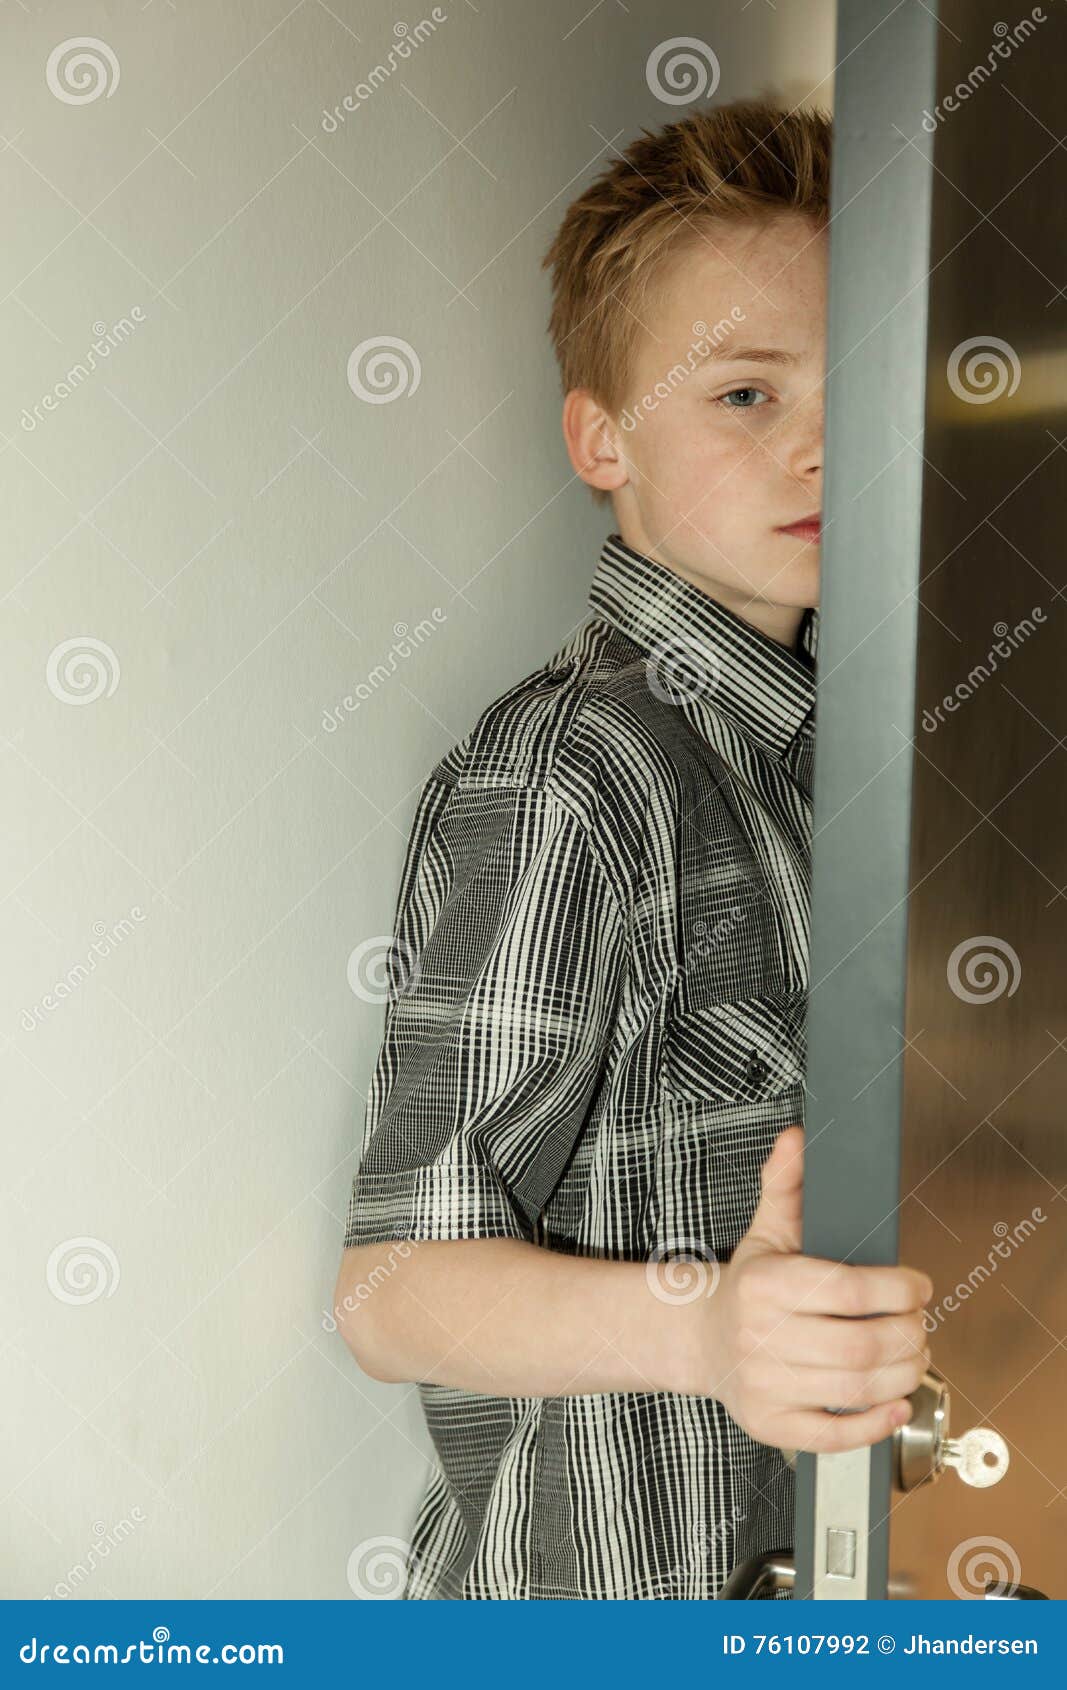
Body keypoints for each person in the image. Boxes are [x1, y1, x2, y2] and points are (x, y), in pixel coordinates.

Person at [333, 97, 933, 1600]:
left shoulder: (833, 760)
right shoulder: (574, 773)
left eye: (847, 385)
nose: (821, 445)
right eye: (744, 394)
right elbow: (390, 1295)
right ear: (602, 436)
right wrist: (701, 1331)